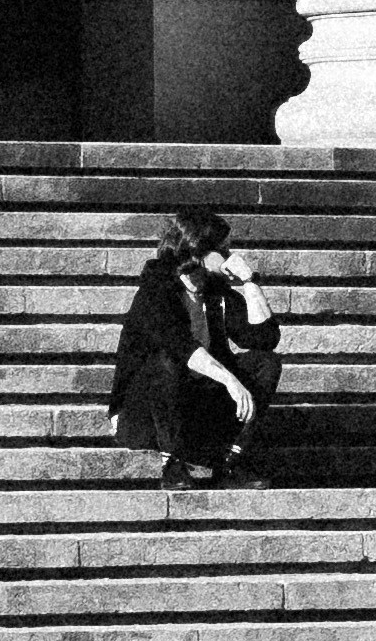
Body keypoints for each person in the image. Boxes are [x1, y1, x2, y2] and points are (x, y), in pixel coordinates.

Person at [107, 207, 282, 489]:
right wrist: (230, 380)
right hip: (143, 416)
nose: (229, 256)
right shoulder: (157, 286)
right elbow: (180, 346)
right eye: (222, 250)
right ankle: (172, 464)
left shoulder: (216, 291)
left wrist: (250, 282)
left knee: (266, 362)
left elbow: (264, 338)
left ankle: (230, 462)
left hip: (194, 411)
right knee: (165, 360)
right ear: (198, 249)